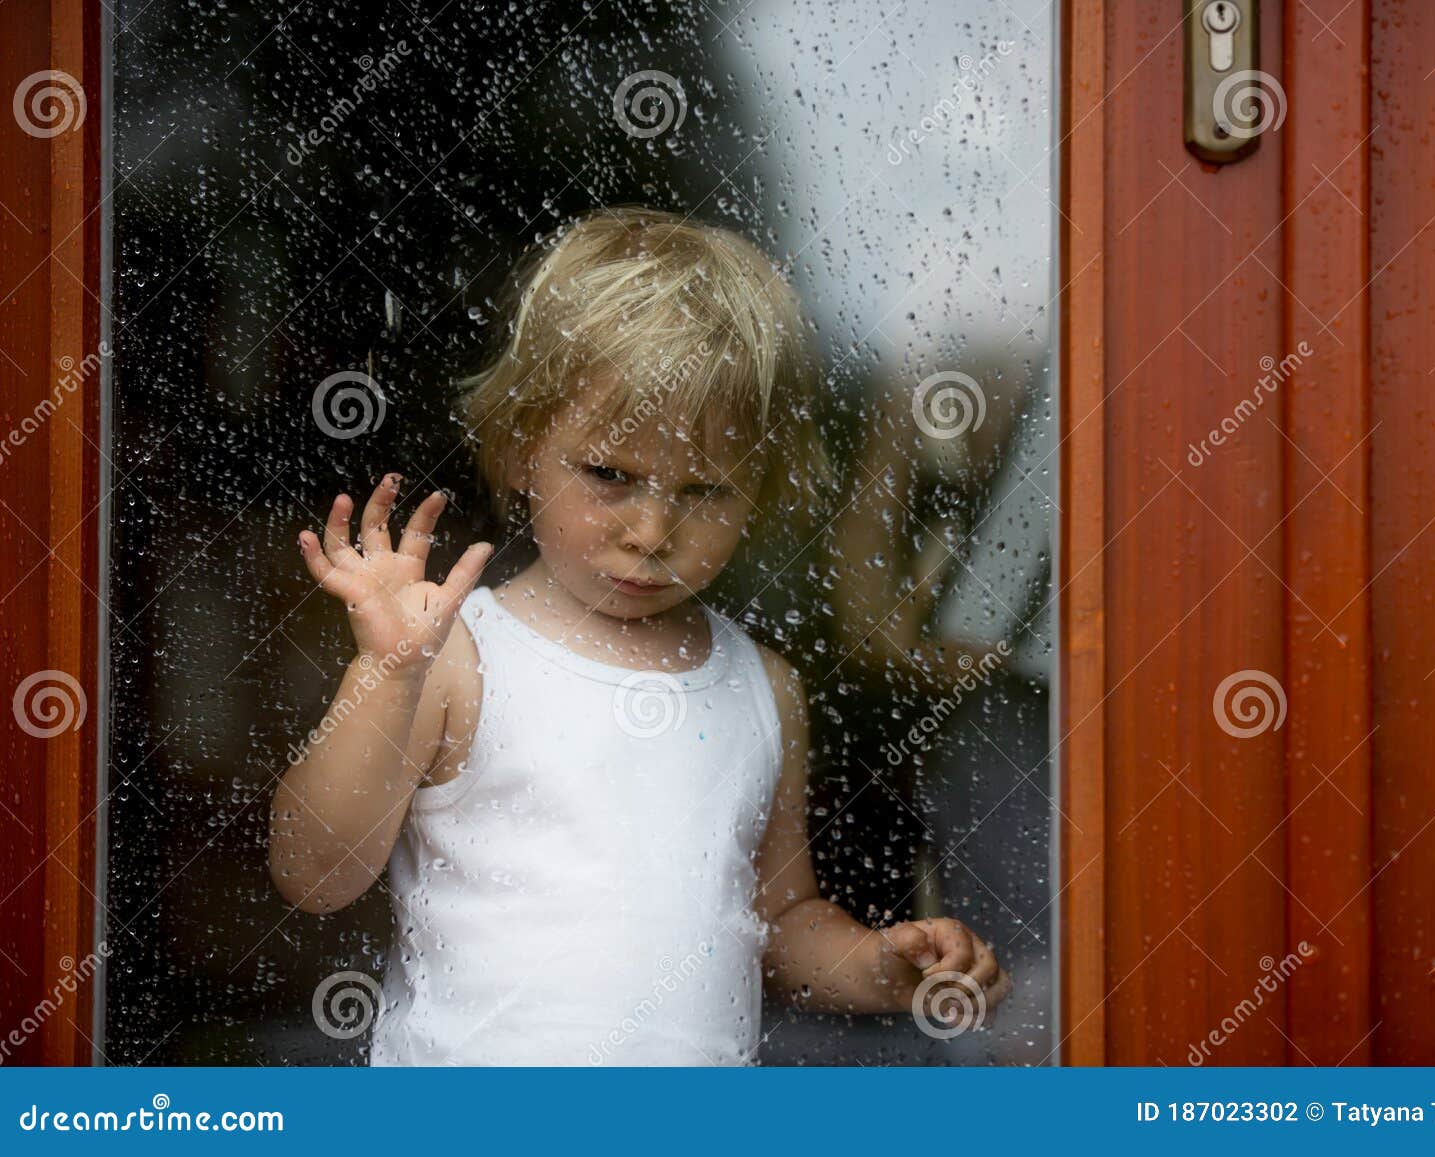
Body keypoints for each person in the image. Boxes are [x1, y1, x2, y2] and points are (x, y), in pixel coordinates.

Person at [267, 206, 1011, 1065]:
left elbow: (779, 924)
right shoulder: (455, 654)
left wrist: (882, 967)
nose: (653, 528)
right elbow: (314, 874)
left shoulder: (764, 686)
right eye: (610, 475)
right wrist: (387, 675)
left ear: (762, 492)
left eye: (703, 491)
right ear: (517, 450)